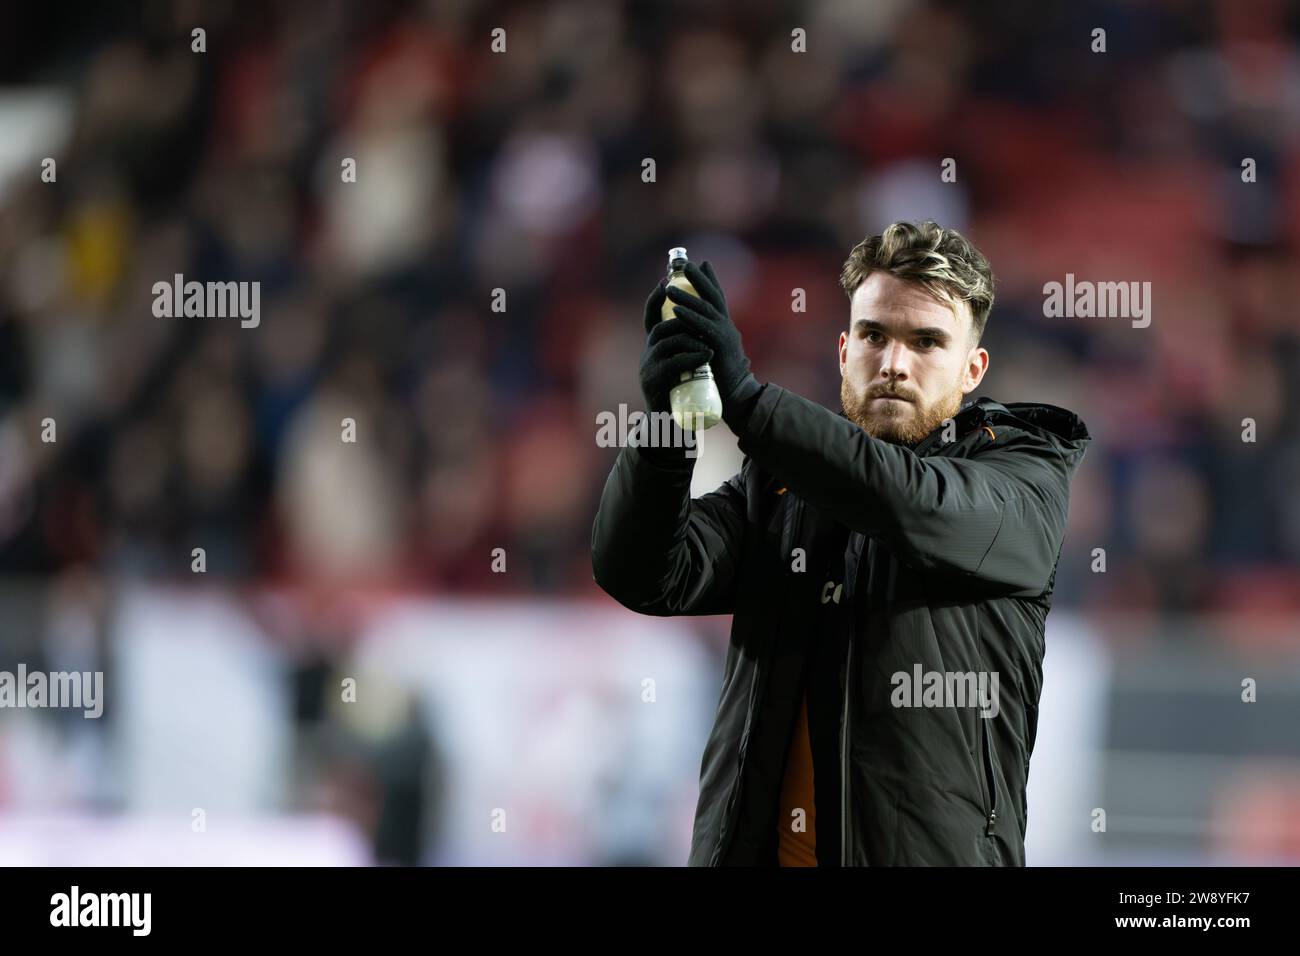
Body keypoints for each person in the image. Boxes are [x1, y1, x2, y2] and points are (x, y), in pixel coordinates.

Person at [591, 221, 1091, 865]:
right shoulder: (782, 484)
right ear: (844, 350)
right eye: (874, 335)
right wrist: (666, 430)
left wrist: (747, 401)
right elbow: (643, 575)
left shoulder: (1025, 473)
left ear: (973, 369)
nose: (894, 364)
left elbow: (913, 502)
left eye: (926, 342)